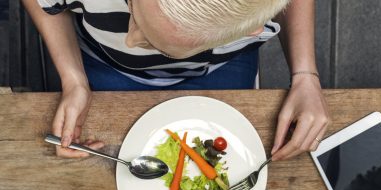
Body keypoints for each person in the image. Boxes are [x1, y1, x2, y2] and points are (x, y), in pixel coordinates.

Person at [23, 0, 329, 161]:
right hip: (101, 62)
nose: (130, 41)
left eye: (153, 43)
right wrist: (73, 78)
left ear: (251, 28)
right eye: (133, 9)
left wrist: (305, 76)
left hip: (224, 67)